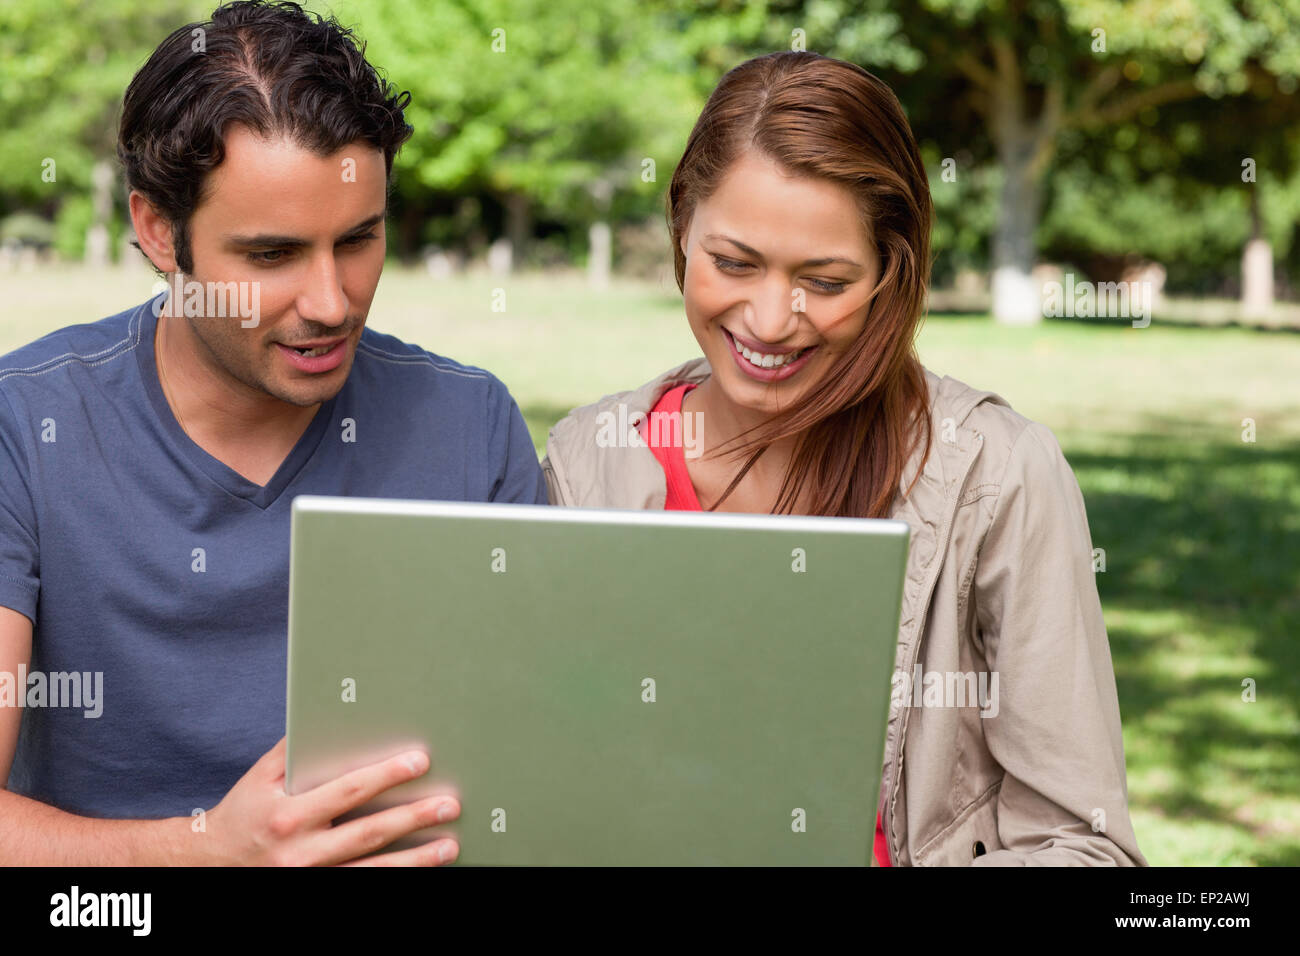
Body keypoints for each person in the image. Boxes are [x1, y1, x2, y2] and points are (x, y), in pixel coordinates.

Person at [541, 51, 1148, 866]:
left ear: (891, 275)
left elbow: (1084, 845)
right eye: (733, 263)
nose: (769, 318)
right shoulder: (588, 460)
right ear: (682, 226)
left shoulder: (998, 476)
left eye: (824, 281)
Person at [0, 1, 545, 865]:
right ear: (156, 231)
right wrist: (209, 850)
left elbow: (541, 764)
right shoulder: (24, 425)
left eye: (359, 240)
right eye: (271, 255)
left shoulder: (472, 425)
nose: (331, 304)